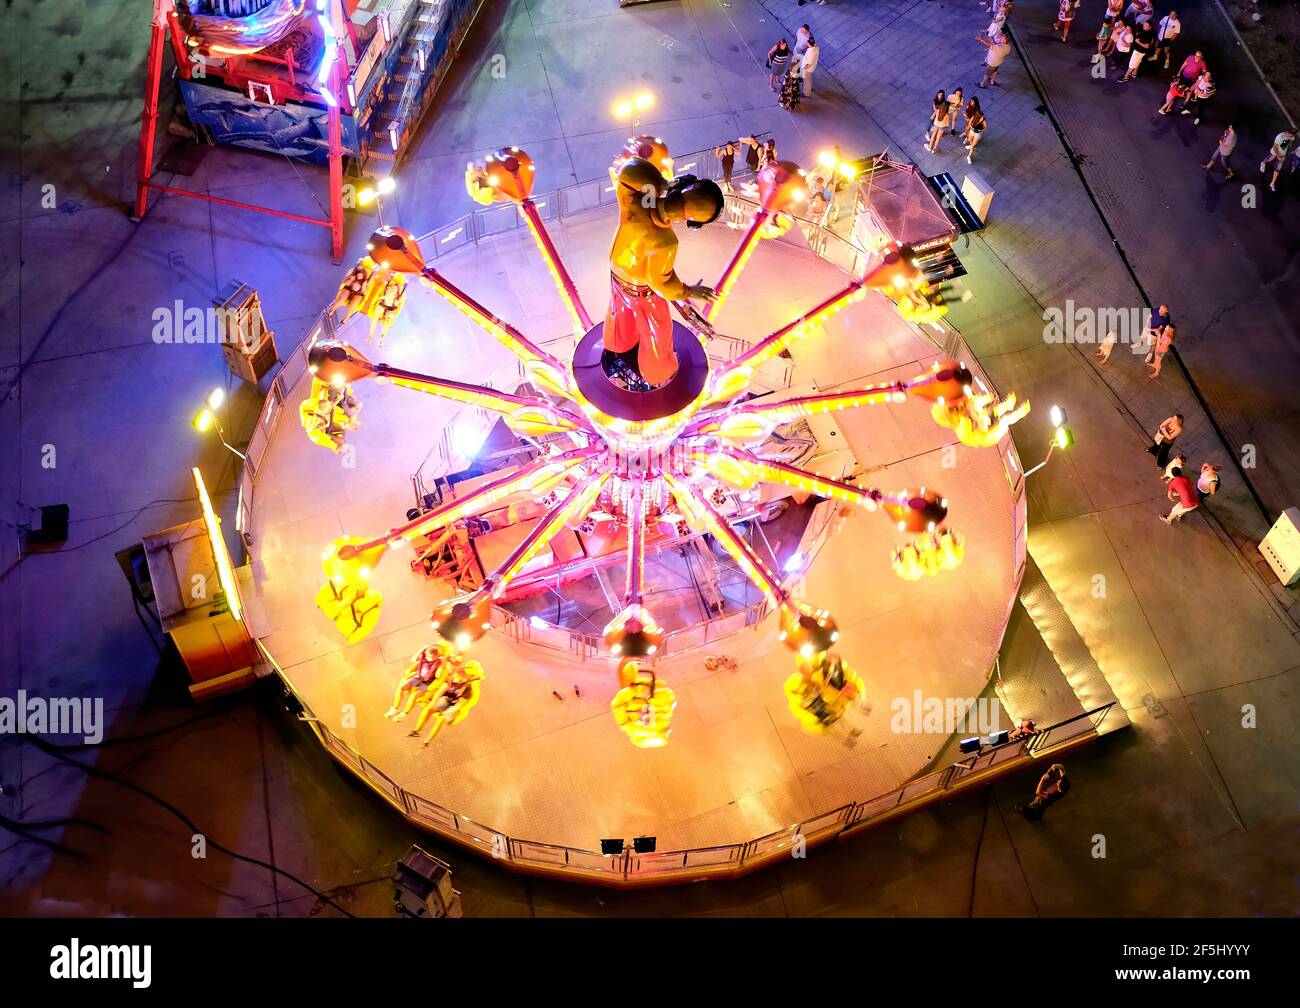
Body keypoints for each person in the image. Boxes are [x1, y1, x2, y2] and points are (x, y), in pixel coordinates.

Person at [963, 98, 987, 164]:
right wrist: (972, 128)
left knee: (973, 145)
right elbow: (970, 123)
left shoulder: (982, 119)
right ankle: (971, 145)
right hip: (972, 131)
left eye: (980, 115)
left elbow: (985, 126)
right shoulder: (974, 117)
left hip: (978, 133)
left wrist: (981, 130)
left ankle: (969, 156)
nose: (979, 116)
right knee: (970, 140)